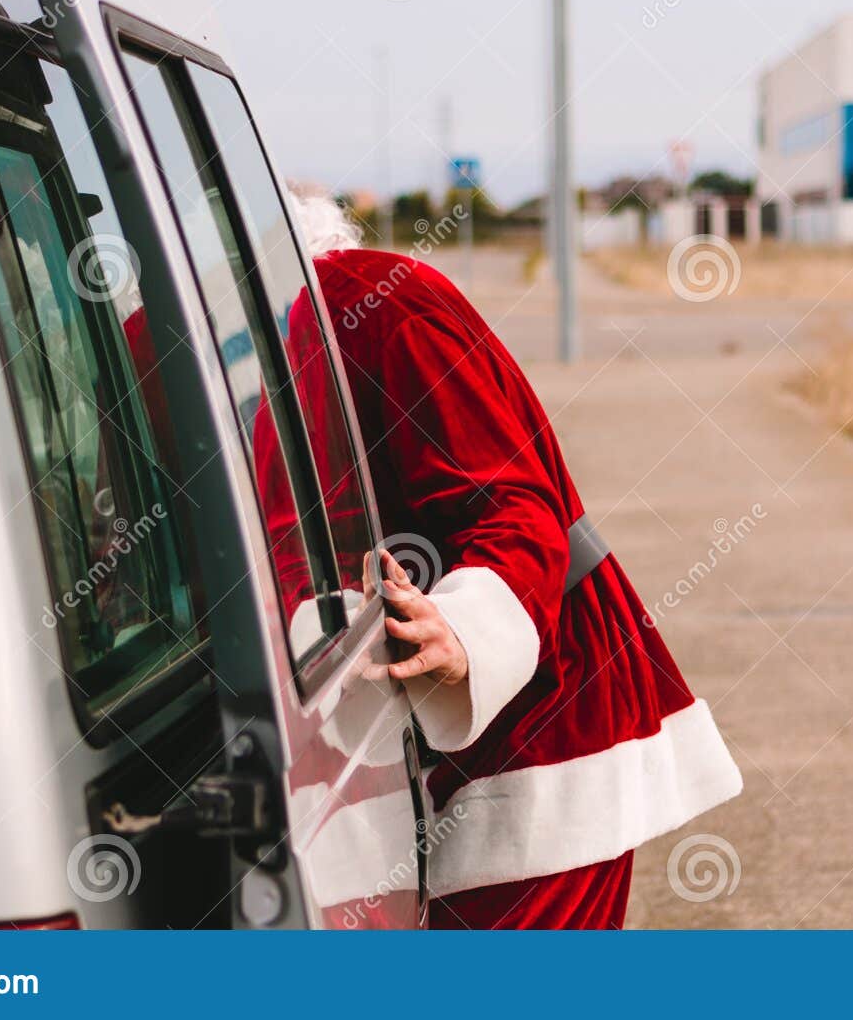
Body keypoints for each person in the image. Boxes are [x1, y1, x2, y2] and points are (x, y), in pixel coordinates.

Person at [283, 192, 742, 929]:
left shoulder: (379, 306)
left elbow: (513, 508)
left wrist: (465, 631)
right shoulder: (226, 336)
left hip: (551, 712)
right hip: (410, 730)